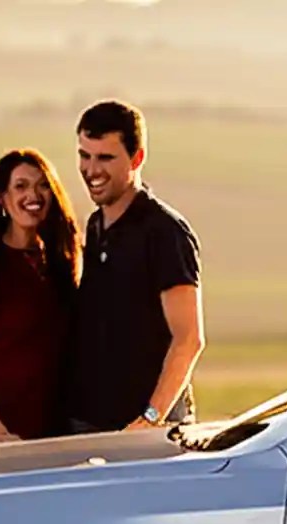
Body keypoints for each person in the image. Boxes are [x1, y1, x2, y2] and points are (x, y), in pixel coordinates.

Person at [66, 99, 206, 434]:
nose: (91, 170)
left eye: (105, 158)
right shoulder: (95, 227)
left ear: (137, 158)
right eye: (84, 155)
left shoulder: (165, 232)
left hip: (147, 431)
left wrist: (150, 419)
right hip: (91, 425)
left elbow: (188, 339)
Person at [0, 149, 82, 448]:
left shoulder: (61, 261)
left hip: (44, 434)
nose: (33, 194)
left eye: (42, 185)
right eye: (20, 186)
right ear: (2, 199)